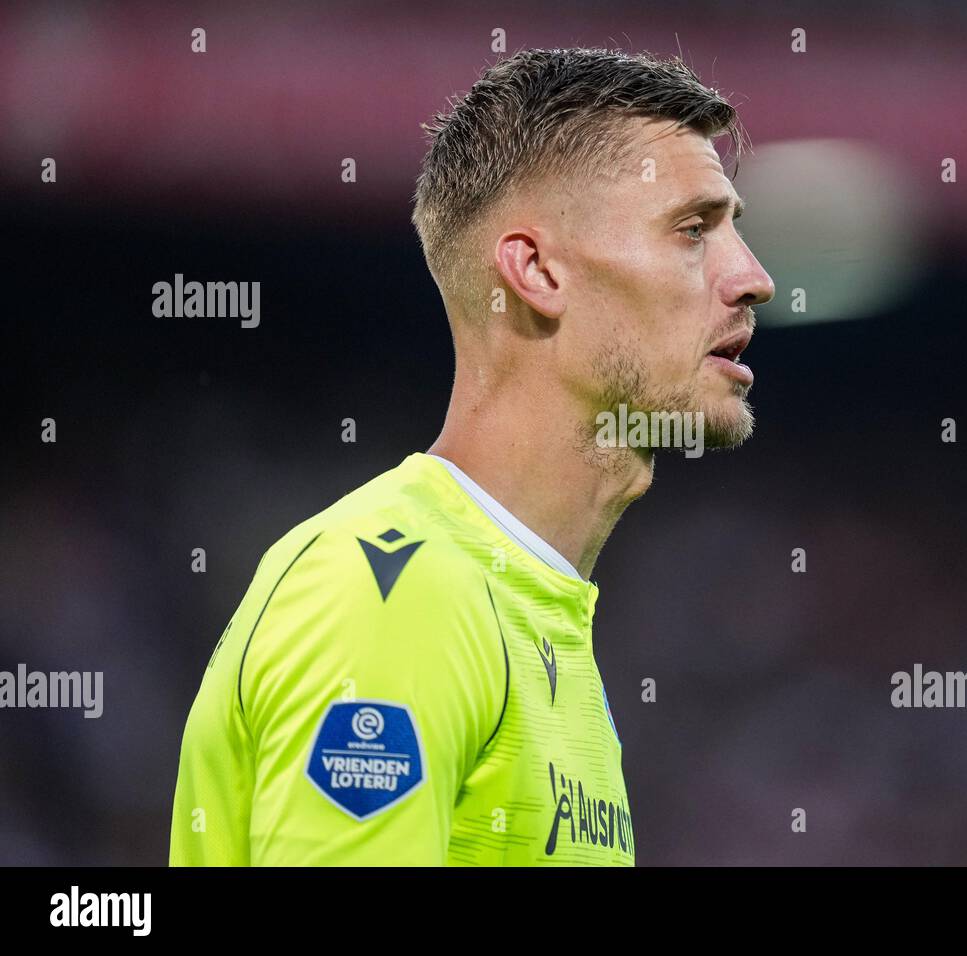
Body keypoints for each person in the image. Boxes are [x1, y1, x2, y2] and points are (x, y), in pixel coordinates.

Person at [169, 47, 775, 866]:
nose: (754, 278)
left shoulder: (535, 614)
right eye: (693, 230)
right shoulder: (394, 590)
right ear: (535, 270)